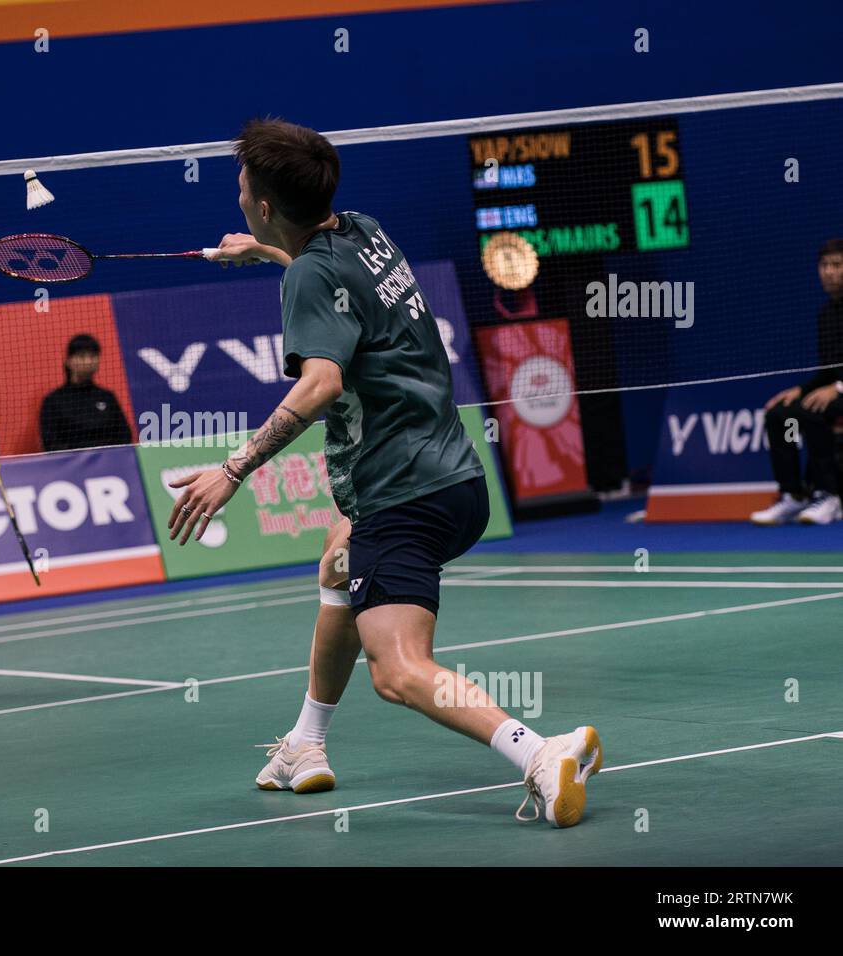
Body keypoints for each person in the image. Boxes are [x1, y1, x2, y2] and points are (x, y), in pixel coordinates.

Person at [170, 118, 603, 827]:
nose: (238, 195)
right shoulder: (364, 230)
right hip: (455, 477)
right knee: (337, 562)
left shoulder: (309, 275)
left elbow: (321, 385)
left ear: (267, 206)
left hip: (401, 493)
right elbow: (337, 286)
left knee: (397, 671)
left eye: (243, 187)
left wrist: (235, 467)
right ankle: (305, 745)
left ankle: (537, 752)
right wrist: (268, 255)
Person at [752, 239, 843, 525]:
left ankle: (832, 493)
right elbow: (829, 371)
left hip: (840, 393)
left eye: (837, 265)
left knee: (812, 411)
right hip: (834, 390)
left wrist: (838, 388)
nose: (829, 272)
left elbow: (834, 381)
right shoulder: (826, 315)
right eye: (824, 265)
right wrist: (801, 389)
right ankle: (794, 493)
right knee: (781, 415)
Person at [39, 333, 132, 451]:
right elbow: (50, 443)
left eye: (93, 356)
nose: (88, 362)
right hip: (71, 466)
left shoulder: (107, 397)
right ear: (69, 361)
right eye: (82, 356)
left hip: (109, 462)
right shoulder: (53, 401)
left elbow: (124, 436)